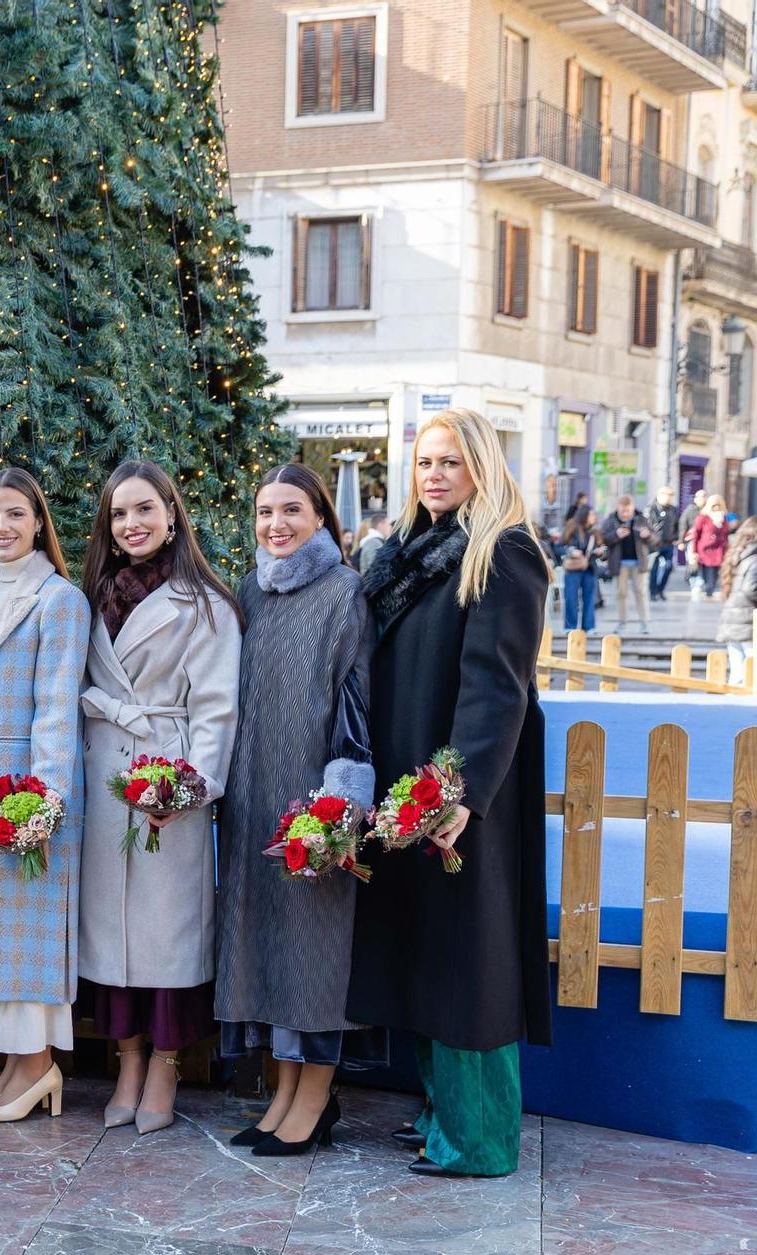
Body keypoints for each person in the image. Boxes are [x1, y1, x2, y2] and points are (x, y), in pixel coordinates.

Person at [350, 407, 550, 1178]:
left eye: (451, 462)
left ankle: (481, 1138)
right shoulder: (410, 551)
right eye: (425, 462)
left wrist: (457, 793)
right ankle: (442, 1114)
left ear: (482, 468)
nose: (434, 475)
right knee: (425, 952)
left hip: (459, 796)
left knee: (470, 962)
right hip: (408, 783)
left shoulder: (503, 551)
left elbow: (498, 686)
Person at [215, 463, 383, 1156]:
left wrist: (336, 810)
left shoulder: (344, 591)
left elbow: (355, 701)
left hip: (312, 805)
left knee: (315, 953)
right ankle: (282, 1093)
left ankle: (314, 1097)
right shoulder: (250, 590)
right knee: (267, 948)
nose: (276, 523)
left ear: (319, 517)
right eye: (265, 511)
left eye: (291, 509)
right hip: (253, 795)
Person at [79, 458, 242, 1135]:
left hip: (166, 774)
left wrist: (192, 785)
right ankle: (126, 1061)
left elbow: (216, 707)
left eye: (145, 508)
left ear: (172, 514)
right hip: (103, 775)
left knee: (166, 932)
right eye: (119, 513)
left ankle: (166, 1066)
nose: (132, 523)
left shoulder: (205, 604)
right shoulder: (91, 596)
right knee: (110, 933)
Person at [0, 468, 90, 1124]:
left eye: (14, 514)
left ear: (38, 521)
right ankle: (14, 1066)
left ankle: (38, 1066)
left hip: (29, 794)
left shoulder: (60, 599)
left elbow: (57, 707)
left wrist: (42, 800)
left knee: (29, 936)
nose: (1, 527)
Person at [598, 496, 654, 634]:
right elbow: (602, 539)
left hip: (639, 563)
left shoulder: (641, 519)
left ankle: (644, 623)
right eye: (622, 511)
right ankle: (622, 623)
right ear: (618, 508)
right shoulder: (611, 520)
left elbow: (655, 540)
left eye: (628, 511)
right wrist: (616, 535)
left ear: (632, 508)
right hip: (619, 563)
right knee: (621, 594)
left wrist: (647, 535)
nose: (625, 514)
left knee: (641, 593)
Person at [716, 519, 757, 684]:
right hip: (747, 619)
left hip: (732, 617)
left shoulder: (736, 554)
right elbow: (751, 589)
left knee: (737, 670)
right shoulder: (754, 558)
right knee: (751, 666)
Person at [556, 507, 602, 632]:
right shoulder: (572, 527)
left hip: (590, 568)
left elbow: (601, 548)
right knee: (571, 598)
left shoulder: (595, 531)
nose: (594, 517)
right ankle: (570, 627)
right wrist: (571, 551)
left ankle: (589, 626)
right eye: (591, 514)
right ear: (584, 515)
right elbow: (558, 547)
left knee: (590, 598)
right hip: (573, 568)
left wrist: (599, 552)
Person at [693, 495, 730, 599]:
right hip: (706, 549)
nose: (716, 508)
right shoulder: (703, 517)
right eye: (714, 506)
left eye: (718, 505)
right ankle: (708, 591)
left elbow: (726, 534)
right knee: (708, 571)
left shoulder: (723, 518)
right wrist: (694, 551)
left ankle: (710, 590)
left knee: (716, 572)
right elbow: (696, 534)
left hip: (719, 549)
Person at [647, 487, 680, 601]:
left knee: (668, 567)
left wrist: (676, 537)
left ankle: (660, 590)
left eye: (671, 496)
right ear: (659, 495)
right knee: (654, 569)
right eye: (667, 495)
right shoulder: (651, 509)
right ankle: (653, 592)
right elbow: (647, 525)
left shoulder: (673, 509)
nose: (669, 498)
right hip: (654, 545)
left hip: (668, 543)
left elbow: (678, 525)